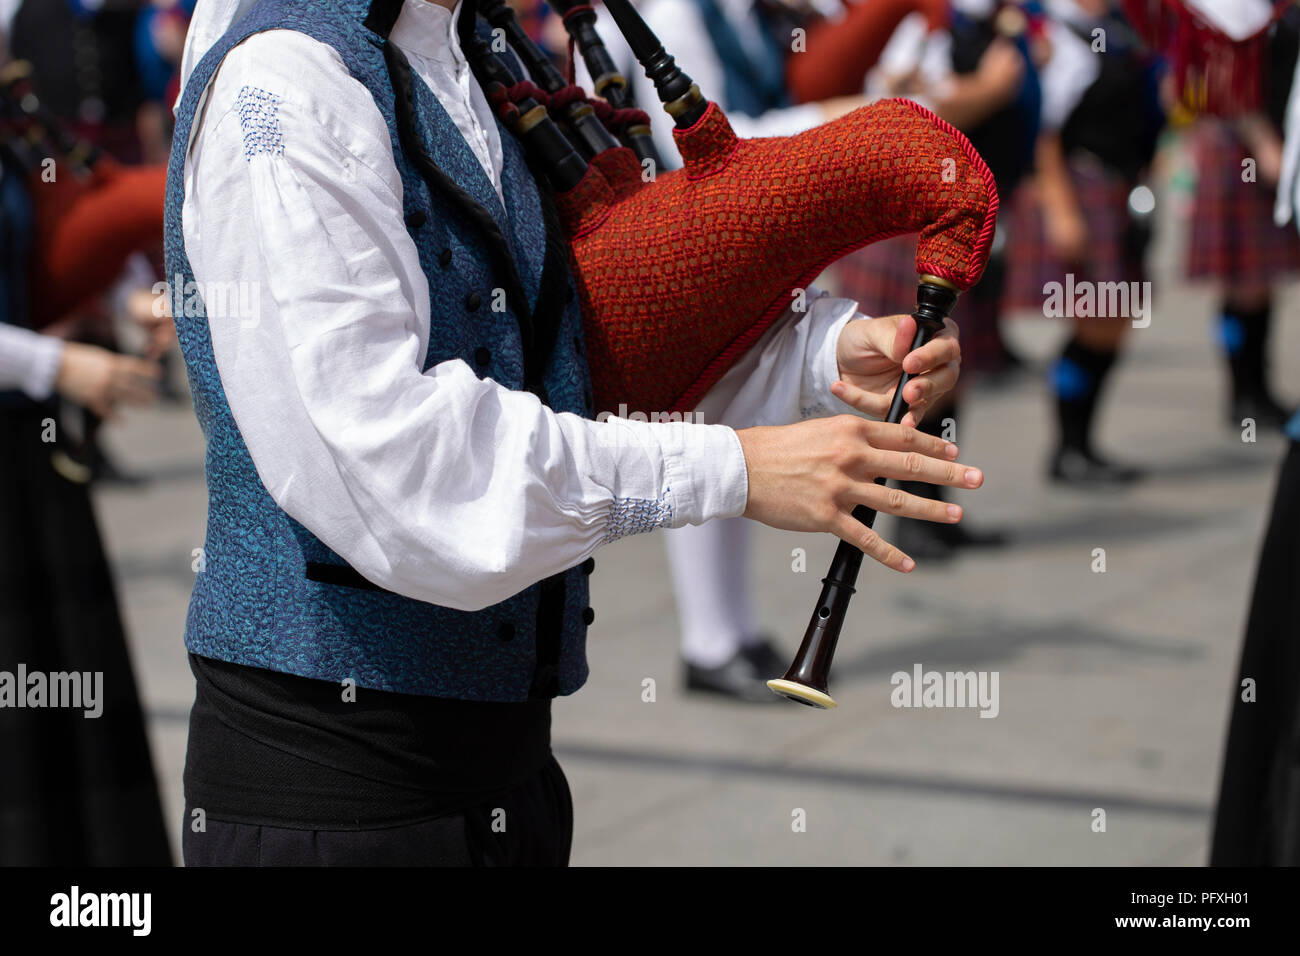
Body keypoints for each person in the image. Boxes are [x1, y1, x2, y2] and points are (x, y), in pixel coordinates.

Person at [170, 0, 982, 866]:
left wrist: (817, 355)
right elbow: (394, 462)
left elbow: (571, 336)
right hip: (336, 797)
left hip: (505, 765)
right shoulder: (283, 84)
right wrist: (731, 471)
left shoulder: (466, 44)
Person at [579, 0, 875, 701]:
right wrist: (850, 119)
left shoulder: (748, 14)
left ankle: (735, 629)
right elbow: (714, 138)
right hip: (685, 243)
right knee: (704, 436)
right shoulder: (682, 14)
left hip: (736, 239)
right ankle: (707, 640)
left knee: (743, 444)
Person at [0, 142, 170, 865]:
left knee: (63, 720)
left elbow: (36, 247)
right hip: (30, 402)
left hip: (20, 458)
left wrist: (121, 297)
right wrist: (54, 365)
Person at [1004, 0, 1163, 485]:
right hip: (1078, 185)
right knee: (1098, 320)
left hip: (1114, 187)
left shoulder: (1115, 26)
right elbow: (1044, 131)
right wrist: (1062, 209)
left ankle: (1080, 447)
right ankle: (1070, 450)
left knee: (1114, 319)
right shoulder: (1051, 30)